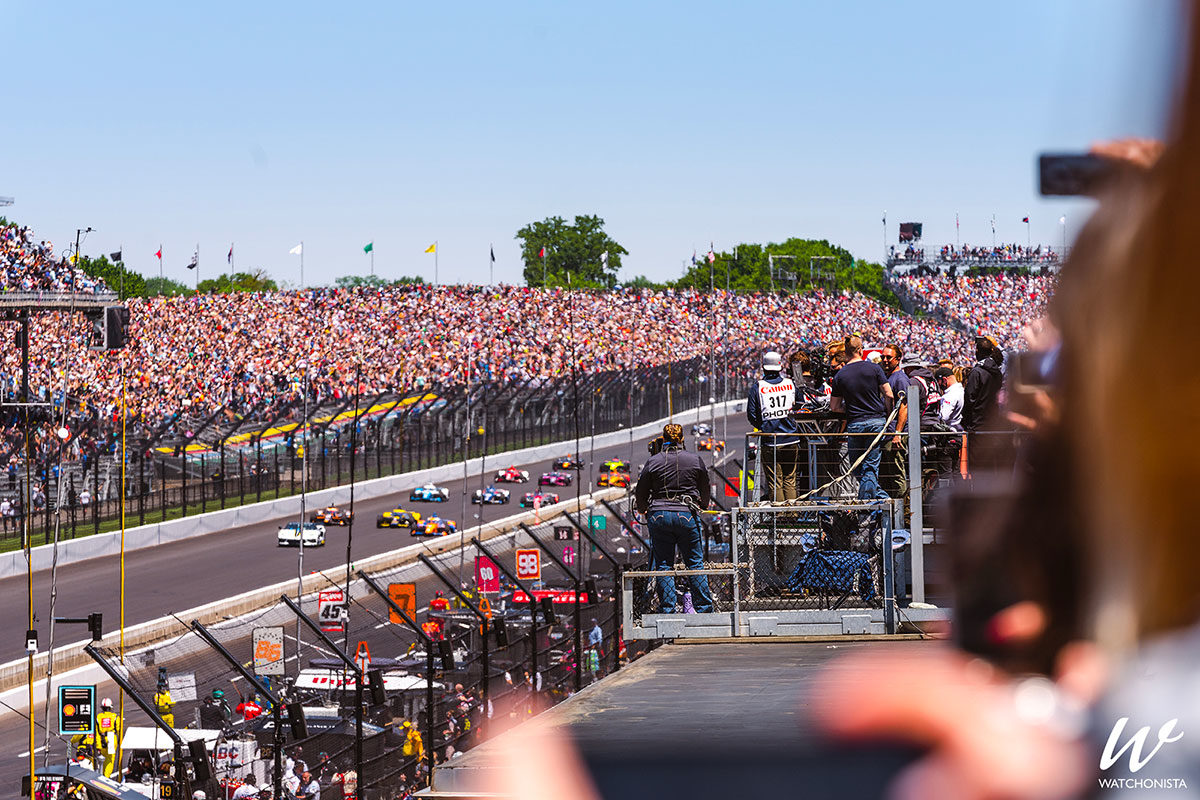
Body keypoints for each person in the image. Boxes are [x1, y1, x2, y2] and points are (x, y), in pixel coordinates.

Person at [634, 423, 713, 613]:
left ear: (663, 439)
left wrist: (644, 508)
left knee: (664, 563)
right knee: (694, 563)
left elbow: (641, 491)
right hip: (686, 513)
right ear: (682, 439)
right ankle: (703, 608)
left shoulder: (653, 461)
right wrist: (702, 505)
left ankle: (668, 608)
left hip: (659, 515)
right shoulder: (695, 459)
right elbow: (705, 488)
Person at [829, 335, 894, 500]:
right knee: (869, 468)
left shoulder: (840, 375)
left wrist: (851, 408)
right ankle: (881, 501)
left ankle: (869, 503)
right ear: (860, 350)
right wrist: (888, 415)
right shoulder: (874, 369)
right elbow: (889, 394)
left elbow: (834, 407)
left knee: (857, 468)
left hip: (855, 423)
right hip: (876, 421)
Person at [745, 350, 801, 501]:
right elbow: (801, 405)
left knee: (775, 480)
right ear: (780, 367)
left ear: (763, 368)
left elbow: (751, 414)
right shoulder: (790, 384)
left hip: (770, 440)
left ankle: (781, 517)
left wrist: (763, 426)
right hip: (791, 438)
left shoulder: (759, 387)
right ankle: (792, 514)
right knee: (790, 478)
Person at [962, 334, 1004, 473]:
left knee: (977, 465)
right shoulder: (997, 372)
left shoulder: (977, 372)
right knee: (991, 464)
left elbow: (969, 398)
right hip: (992, 422)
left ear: (977, 352)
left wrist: (967, 421)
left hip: (977, 425)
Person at [878, 343, 910, 500]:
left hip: (894, 434)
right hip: (887, 433)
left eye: (888, 357)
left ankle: (902, 516)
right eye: (883, 356)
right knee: (887, 476)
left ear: (898, 359)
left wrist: (898, 433)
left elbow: (904, 407)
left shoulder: (900, 379)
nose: (884, 360)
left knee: (897, 475)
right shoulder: (888, 377)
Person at [94, 697, 121, 778]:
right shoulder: (115, 717)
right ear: (110, 707)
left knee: (101, 760)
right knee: (110, 760)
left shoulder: (98, 717)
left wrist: (98, 745)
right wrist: (120, 741)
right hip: (112, 738)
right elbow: (119, 730)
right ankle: (106, 777)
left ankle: (101, 776)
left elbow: (96, 732)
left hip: (101, 739)